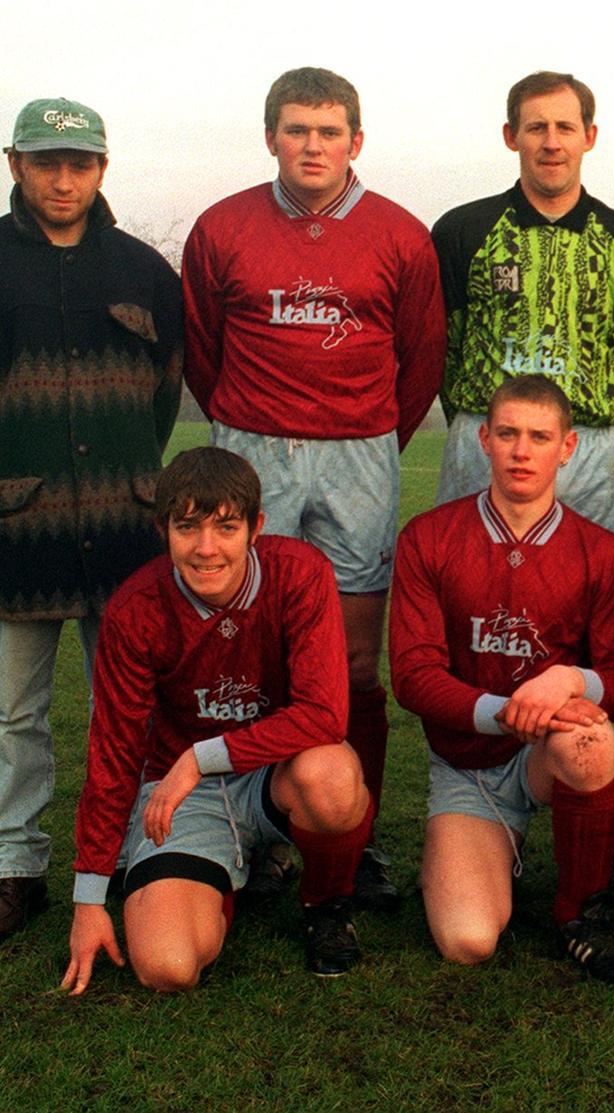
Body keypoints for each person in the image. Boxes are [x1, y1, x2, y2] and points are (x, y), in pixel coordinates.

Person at [181, 67, 445, 909]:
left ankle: (350, 837)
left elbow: (420, 360)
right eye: (296, 130)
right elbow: (201, 350)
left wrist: (364, 434)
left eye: (329, 132)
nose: (313, 146)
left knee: (355, 662)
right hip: (252, 447)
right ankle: (253, 835)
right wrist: (253, 425)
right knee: (246, 651)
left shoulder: (400, 234)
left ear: (356, 141)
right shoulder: (223, 226)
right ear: (271, 137)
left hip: (358, 450)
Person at [62, 447, 374, 993]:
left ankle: (326, 902)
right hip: (182, 797)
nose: (207, 549)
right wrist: (88, 899)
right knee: (166, 968)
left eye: (226, 526)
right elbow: (114, 753)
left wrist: (201, 757)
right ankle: (224, 877)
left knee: (331, 775)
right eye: (188, 527)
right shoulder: (135, 609)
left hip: (274, 775)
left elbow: (325, 713)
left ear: (256, 527)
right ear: (164, 530)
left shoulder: (299, 574)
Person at [389, 375, 614, 983]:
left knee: (591, 741)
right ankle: (473, 851)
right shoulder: (429, 538)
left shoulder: (603, 553)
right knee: (468, 940)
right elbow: (412, 674)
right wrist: (503, 710)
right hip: (467, 765)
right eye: (507, 434)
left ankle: (580, 912)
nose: (521, 450)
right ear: (483, 439)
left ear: (568, 447)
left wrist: (571, 681)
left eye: (538, 436)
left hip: (551, 751)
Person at [1, 97, 182, 941]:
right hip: (15, 532)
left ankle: (150, 851)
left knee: (136, 703)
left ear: (103, 168)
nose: (62, 178)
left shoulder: (144, 270)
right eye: (45, 161)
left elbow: (166, 394)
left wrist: (124, 476)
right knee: (11, 714)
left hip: (123, 528)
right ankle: (14, 864)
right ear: (15, 166)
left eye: (78, 163)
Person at [432, 70, 614, 538]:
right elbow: (441, 347)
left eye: (565, 128)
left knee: (589, 592)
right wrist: (488, 422)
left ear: (589, 136)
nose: (551, 142)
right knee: (470, 584)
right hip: (485, 441)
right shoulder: (462, 232)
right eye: (536, 128)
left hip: (590, 447)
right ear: (511, 136)